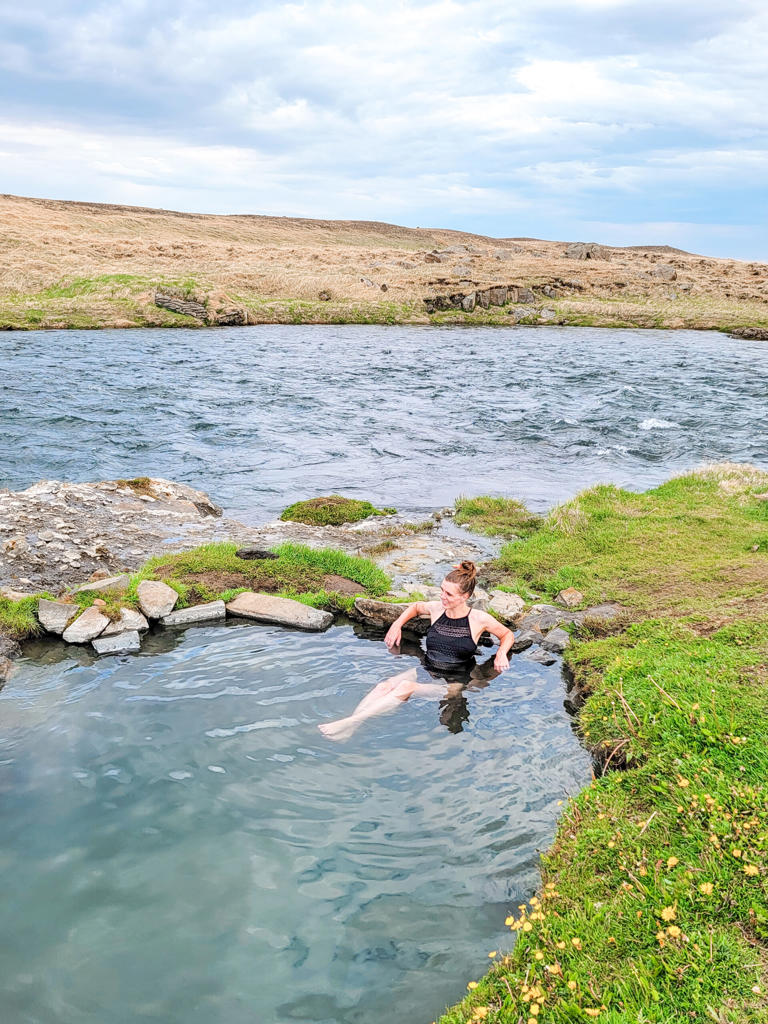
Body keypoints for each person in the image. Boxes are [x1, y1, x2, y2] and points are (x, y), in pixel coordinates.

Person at [318, 561, 515, 740]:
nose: (442, 596)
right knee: (383, 687)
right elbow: (416, 607)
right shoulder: (437, 609)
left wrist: (501, 653)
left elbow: (507, 635)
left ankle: (350, 723)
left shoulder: (478, 619)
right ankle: (352, 726)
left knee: (405, 687)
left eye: (449, 594)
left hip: (455, 681)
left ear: (465, 596)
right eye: (442, 590)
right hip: (428, 669)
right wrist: (397, 625)